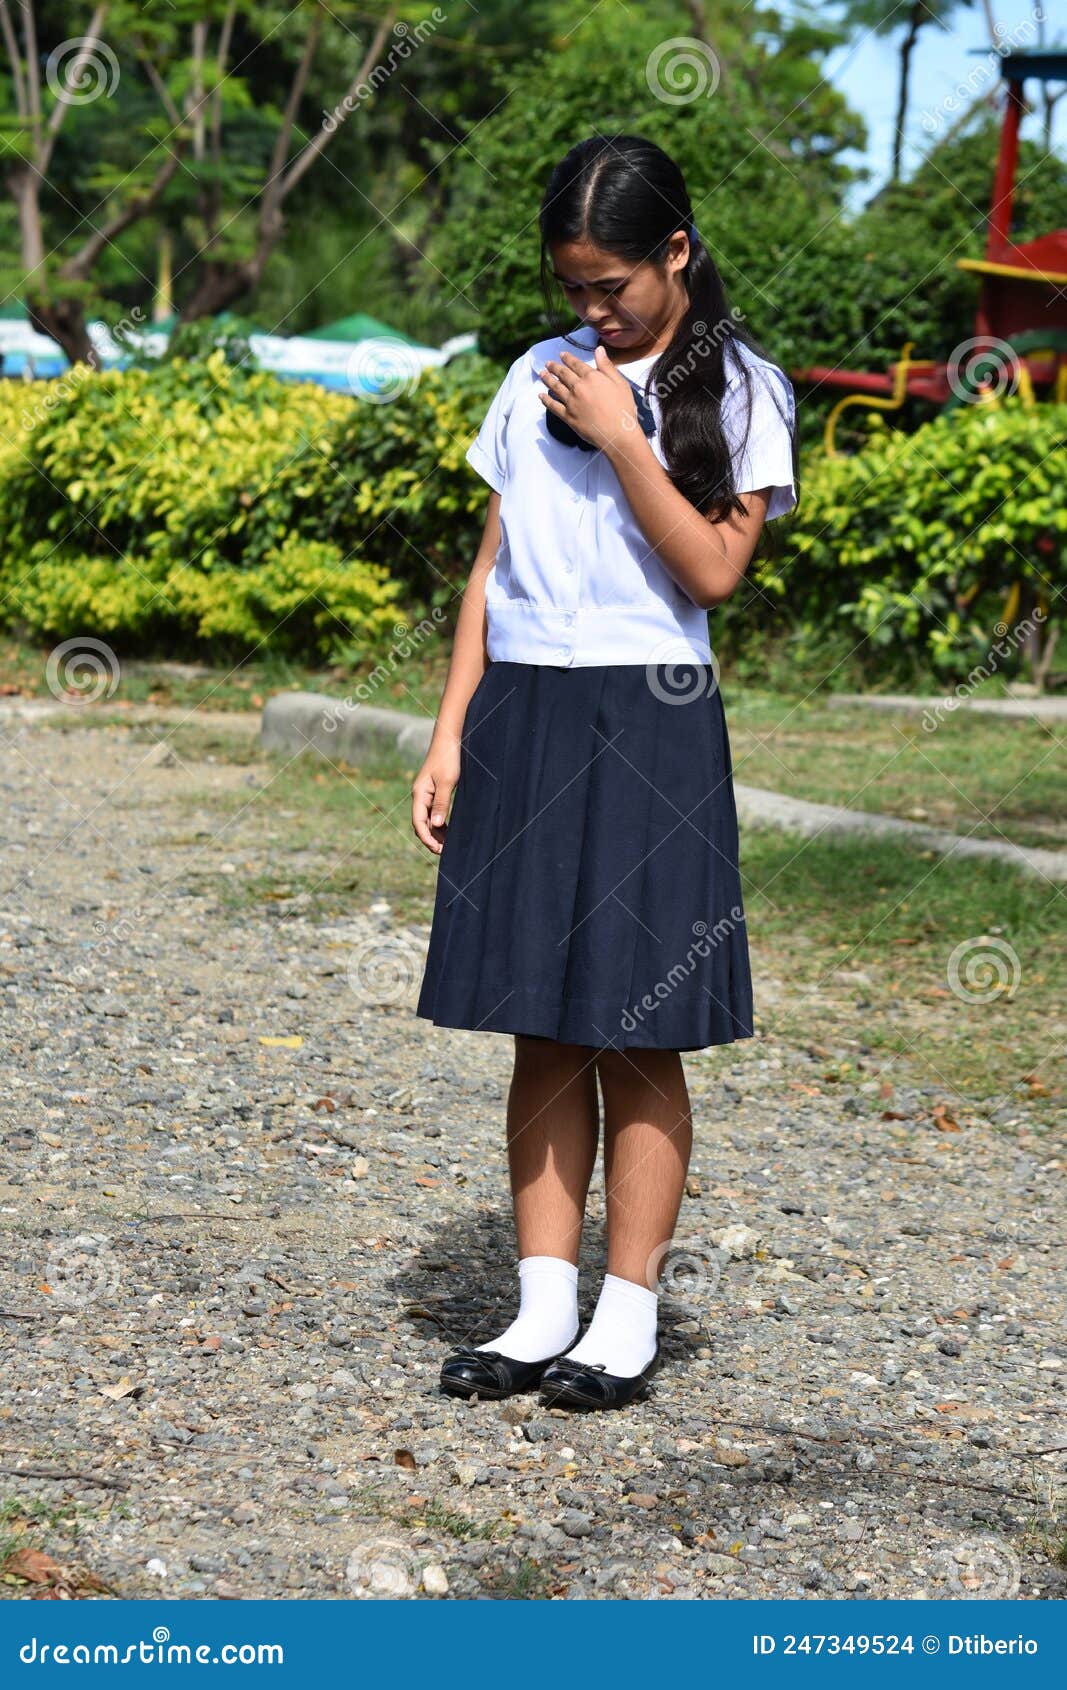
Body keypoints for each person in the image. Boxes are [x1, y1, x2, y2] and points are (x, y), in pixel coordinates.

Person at [411, 133, 799, 1412]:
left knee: (637, 1027)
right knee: (540, 1019)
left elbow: (712, 574)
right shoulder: (533, 375)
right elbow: (490, 570)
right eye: (570, 286)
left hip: (651, 717)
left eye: (610, 286)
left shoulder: (739, 385)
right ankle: (537, 1310)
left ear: (673, 252)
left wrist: (625, 434)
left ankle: (623, 1319)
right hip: (524, 712)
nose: (588, 310)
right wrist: (452, 728)